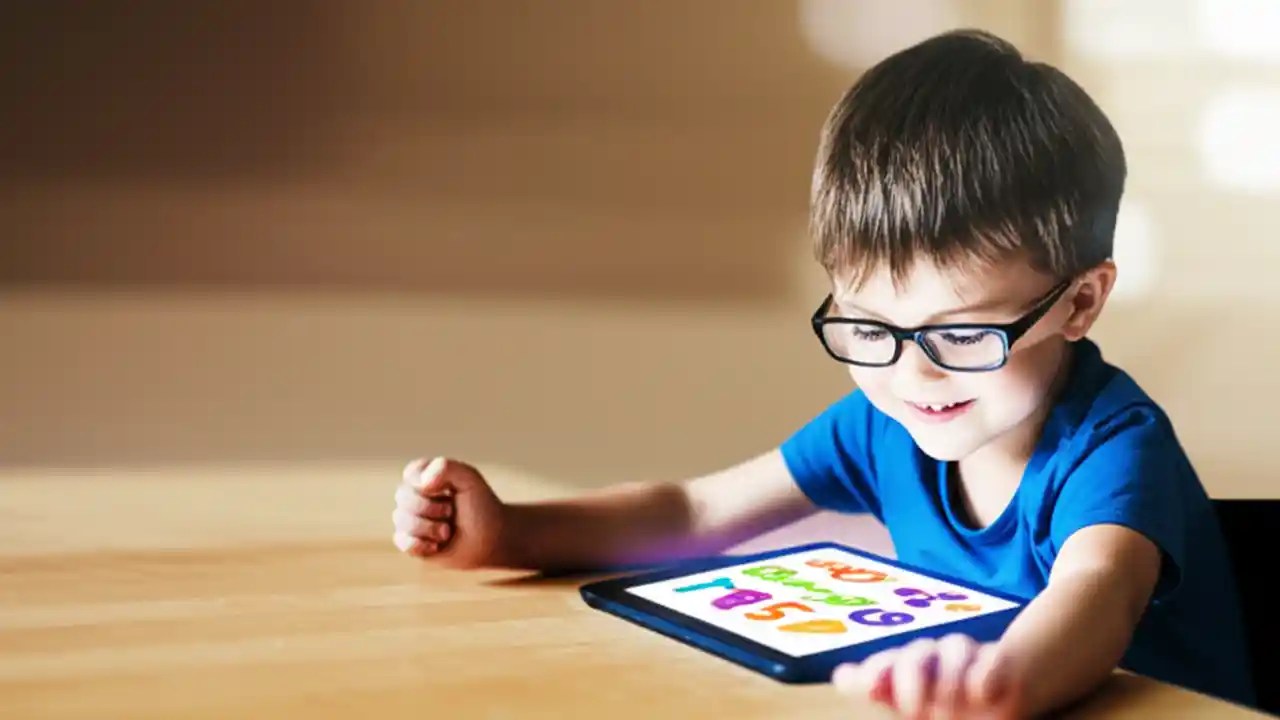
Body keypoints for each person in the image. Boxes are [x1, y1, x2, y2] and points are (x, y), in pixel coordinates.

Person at [391, 29, 1256, 718]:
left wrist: (1003, 681)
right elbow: (694, 511)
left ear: (1078, 304)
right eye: (871, 326)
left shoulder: (1111, 447)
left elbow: (1095, 597)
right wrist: (509, 532)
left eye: (959, 334)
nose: (913, 373)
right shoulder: (885, 425)